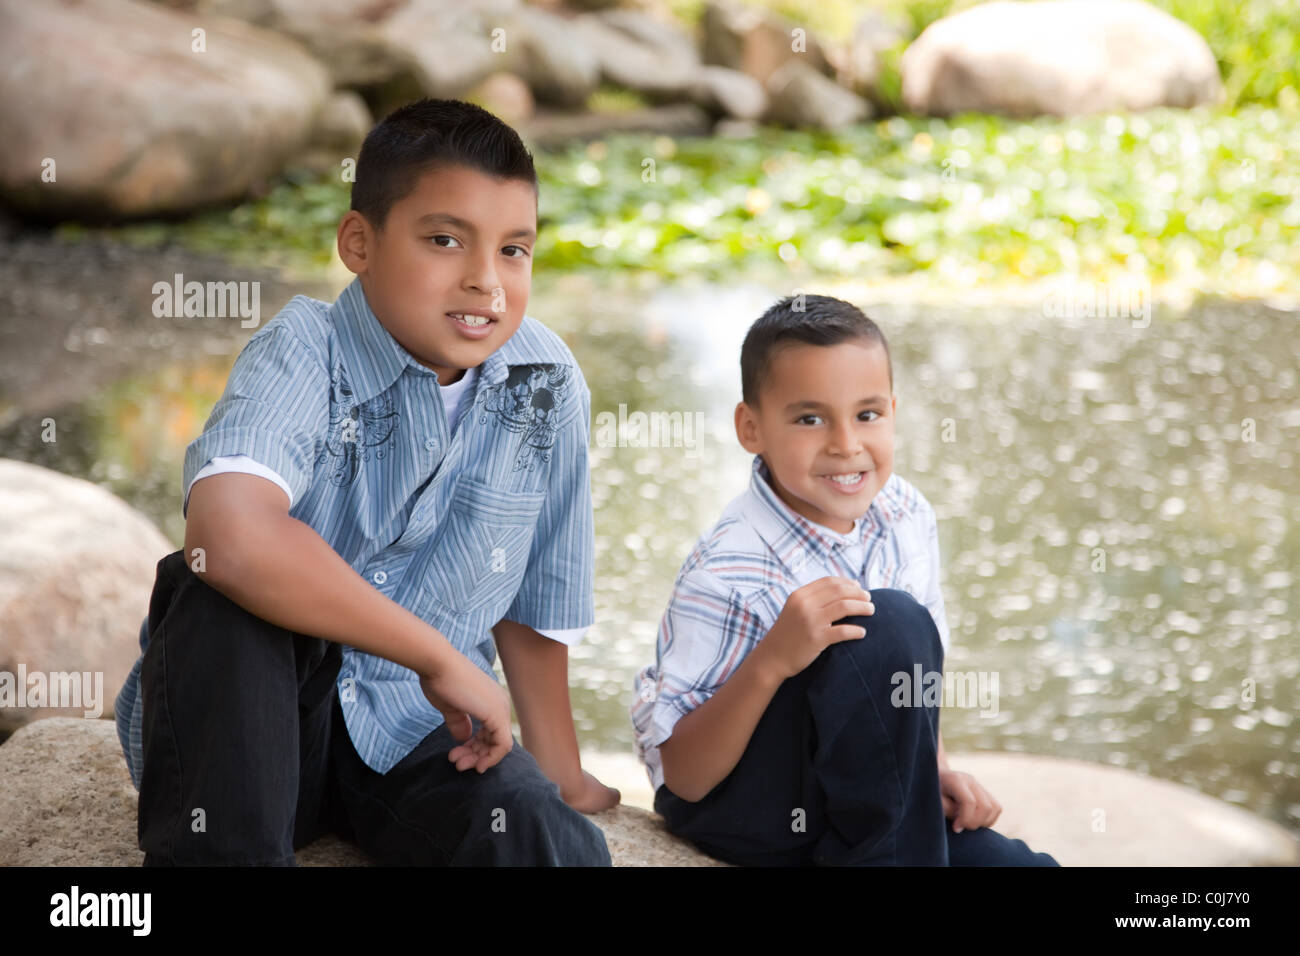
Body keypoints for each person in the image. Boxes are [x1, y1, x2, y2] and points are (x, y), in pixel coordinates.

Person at [114, 98, 619, 866]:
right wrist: (440, 659)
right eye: (445, 240)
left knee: (540, 832)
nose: (486, 281)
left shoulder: (544, 382)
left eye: (514, 249)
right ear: (360, 242)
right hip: (257, 740)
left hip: (422, 736)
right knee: (210, 584)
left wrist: (559, 779)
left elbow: (534, 608)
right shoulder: (303, 351)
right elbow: (229, 534)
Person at [630, 294, 1059, 866]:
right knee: (890, 621)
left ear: (893, 411)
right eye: (810, 418)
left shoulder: (904, 514)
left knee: (1019, 866)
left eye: (867, 414)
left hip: (858, 796)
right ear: (750, 427)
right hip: (748, 806)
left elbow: (904, 689)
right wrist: (773, 659)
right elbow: (685, 779)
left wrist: (935, 772)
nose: (846, 444)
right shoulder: (729, 566)